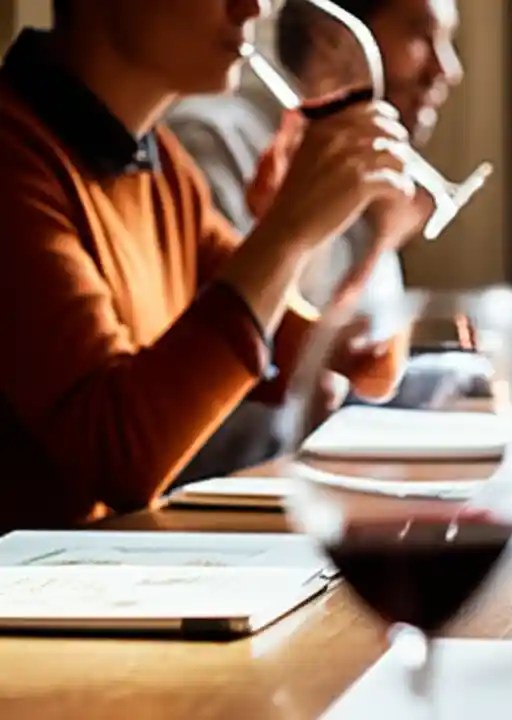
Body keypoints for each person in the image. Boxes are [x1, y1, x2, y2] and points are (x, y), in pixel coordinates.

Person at [0, 0, 416, 529]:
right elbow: (119, 457)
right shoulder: (13, 159)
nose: (254, 6)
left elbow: (273, 338)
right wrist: (287, 230)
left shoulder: (159, 163)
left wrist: (343, 347)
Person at [167, 0, 479, 482]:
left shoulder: (365, 163)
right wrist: (368, 242)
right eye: (421, 35)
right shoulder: (212, 142)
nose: (448, 69)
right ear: (333, 39)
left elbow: (364, 378)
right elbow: (258, 393)